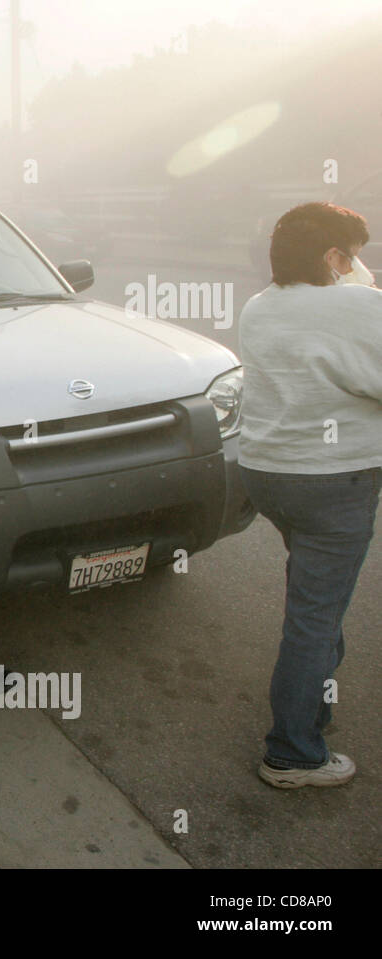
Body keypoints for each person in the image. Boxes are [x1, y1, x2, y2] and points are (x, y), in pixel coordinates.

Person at [237, 201, 382, 789]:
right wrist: (356, 281)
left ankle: (315, 704)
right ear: (333, 257)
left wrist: (350, 276)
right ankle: (293, 753)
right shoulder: (356, 306)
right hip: (333, 483)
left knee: (315, 600)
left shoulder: (259, 306)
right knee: (314, 617)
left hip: (269, 475)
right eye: (350, 256)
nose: (357, 267)